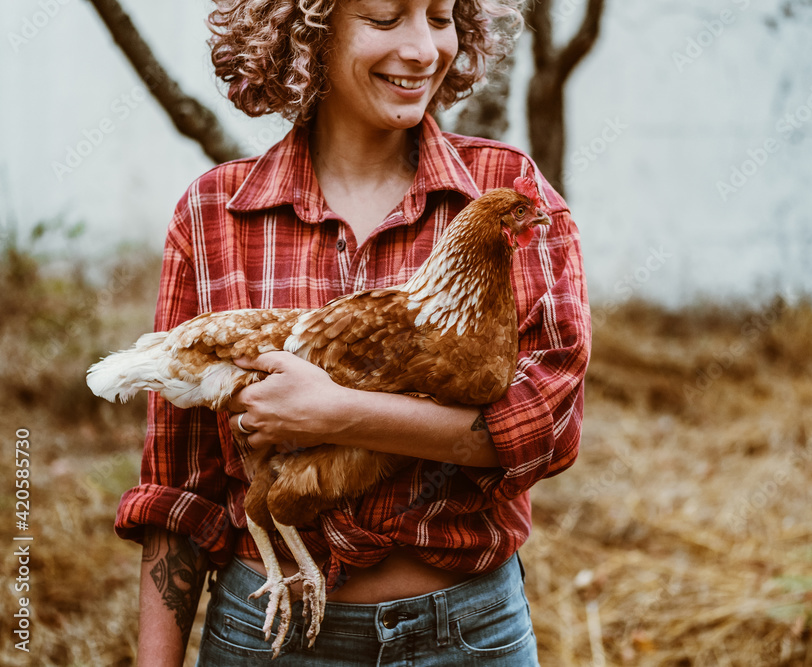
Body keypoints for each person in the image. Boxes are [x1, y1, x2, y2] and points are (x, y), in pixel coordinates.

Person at [114, 0, 591, 664]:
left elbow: (547, 427)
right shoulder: (215, 210)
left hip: (467, 634)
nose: (423, 48)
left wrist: (338, 413)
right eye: (386, 18)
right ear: (308, 30)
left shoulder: (503, 191)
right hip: (268, 632)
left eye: (441, 16)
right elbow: (177, 487)